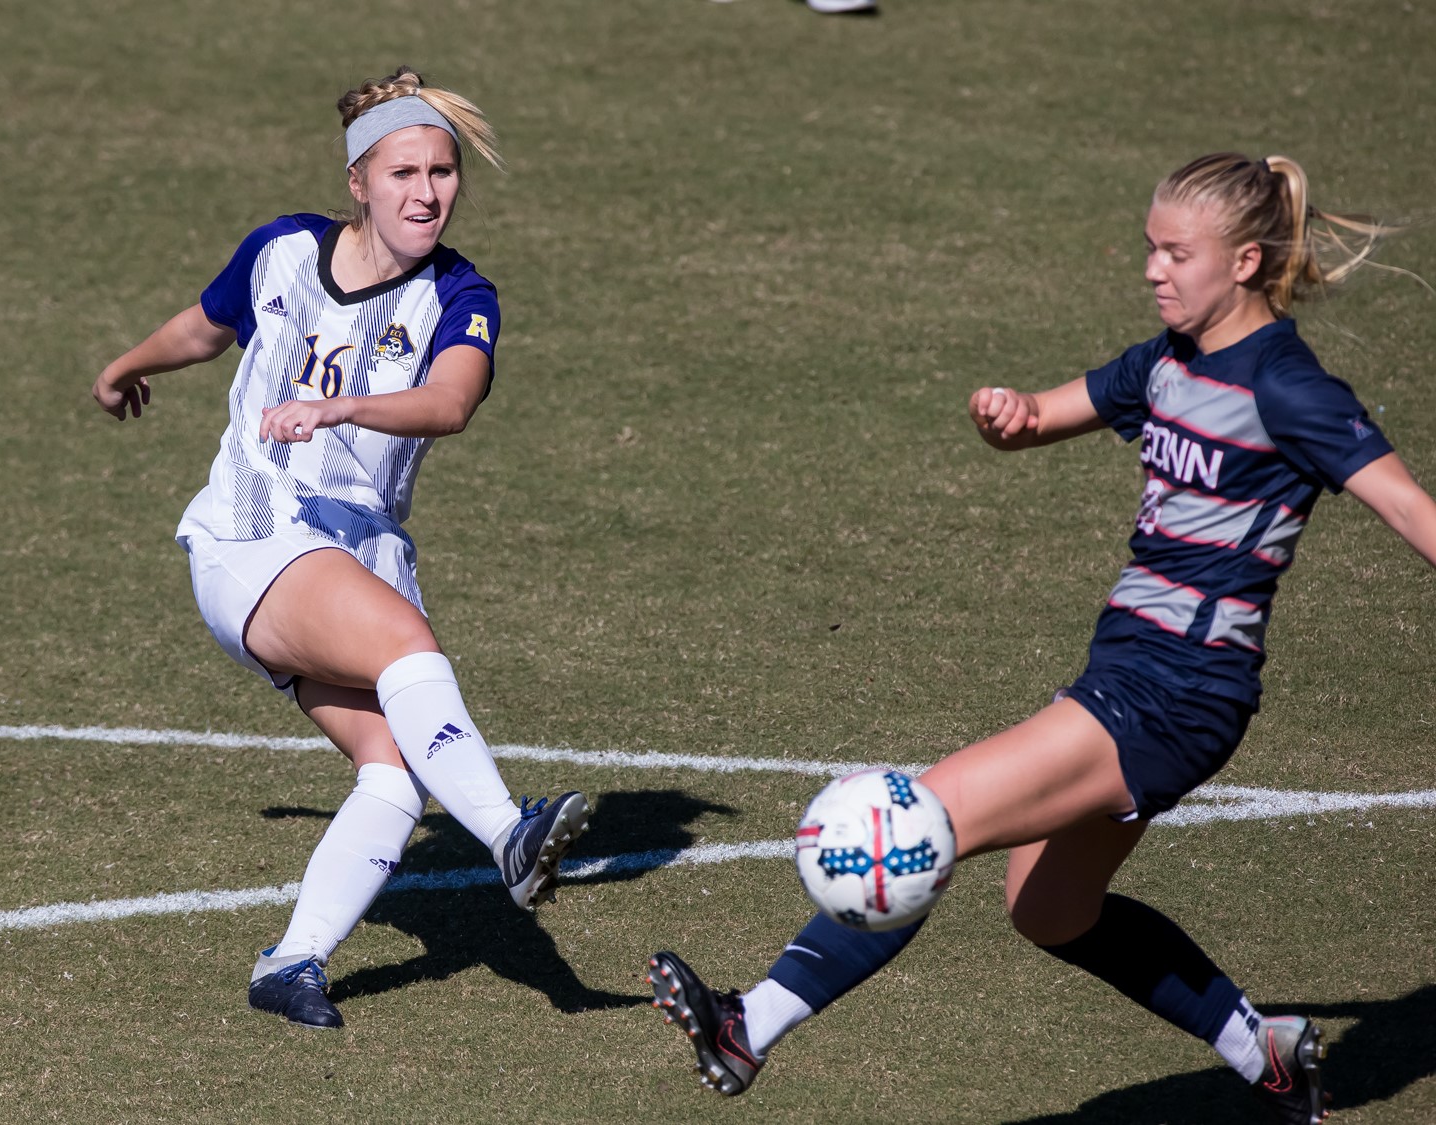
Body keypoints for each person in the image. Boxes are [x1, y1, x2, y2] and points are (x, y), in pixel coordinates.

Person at [647, 153, 1436, 1124]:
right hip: (1132, 678)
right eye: (1148, 247)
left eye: (1173, 253)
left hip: (1175, 693)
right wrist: (1008, 418)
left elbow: (1407, 508)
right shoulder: (1165, 361)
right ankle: (1263, 1055)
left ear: (1240, 262)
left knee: (916, 820)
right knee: (1049, 912)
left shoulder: (1289, 388)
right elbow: (1039, 421)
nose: (1151, 269)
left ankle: (745, 1027)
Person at [91, 67, 590, 1030]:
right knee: (408, 645)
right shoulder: (282, 249)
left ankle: (291, 963)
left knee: (395, 775)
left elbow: (448, 403)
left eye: (443, 172)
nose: (427, 192)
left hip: (358, 553)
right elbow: (203, 329)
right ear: (358, 180)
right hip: (255, 528)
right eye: (405, 170)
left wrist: (341, 404)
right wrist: (123, 366)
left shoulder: (462, 292)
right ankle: (508, 835)